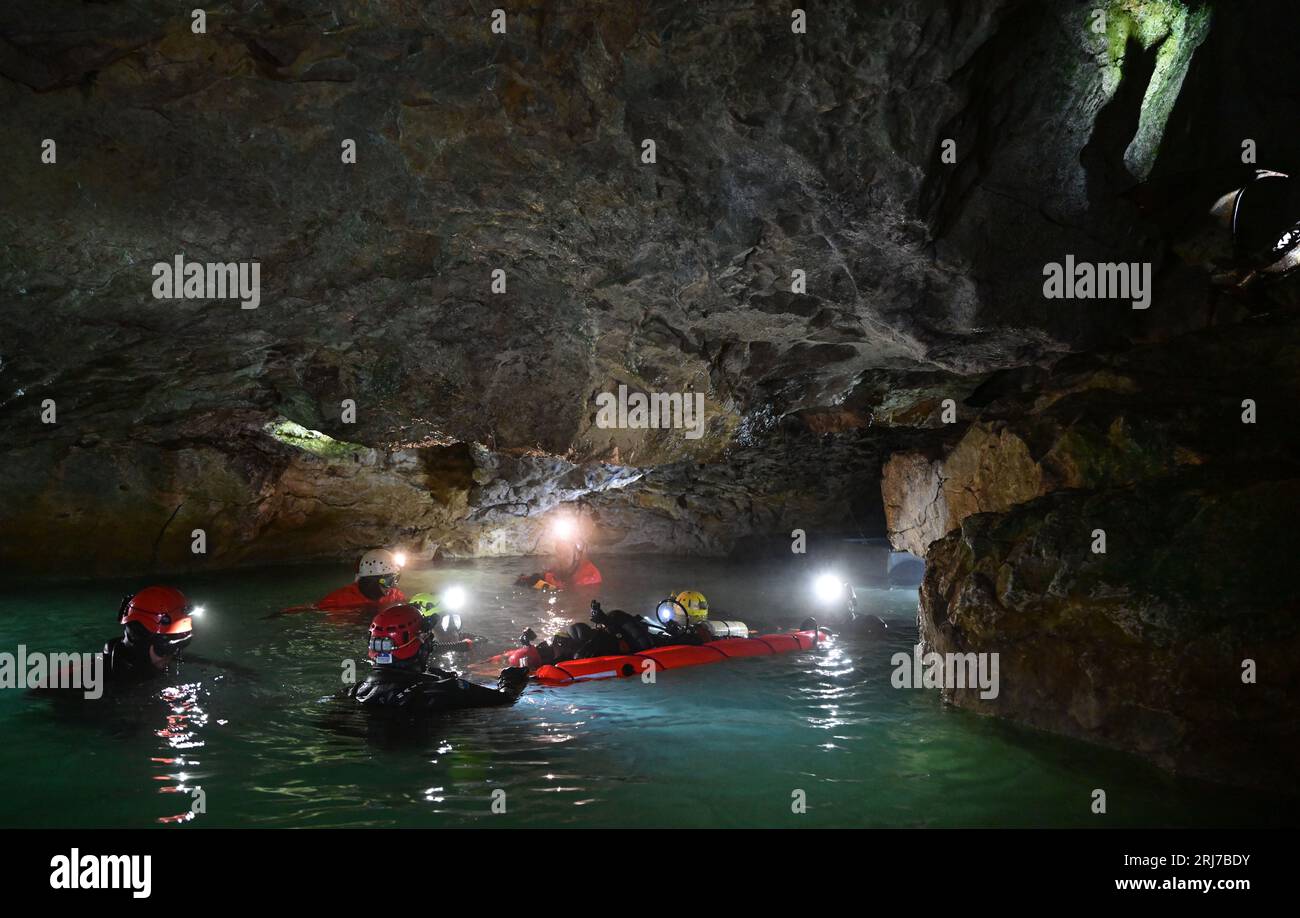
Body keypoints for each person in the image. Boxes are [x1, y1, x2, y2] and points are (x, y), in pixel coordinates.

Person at [347, 604, 527, 711]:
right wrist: (510, 681)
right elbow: (505, 700)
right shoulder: (442, 691)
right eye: (428, 637)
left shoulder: (354, 692)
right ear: (421, 642)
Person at [102, 586, 196, 684]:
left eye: (180, 645)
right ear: (141, 643)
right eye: (165, 649)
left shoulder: (157, 665)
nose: (170, 656)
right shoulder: (91, 678)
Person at [313, 549, 406, 612]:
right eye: (389, 581)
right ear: (372, 581)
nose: (394, 586)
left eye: (396, 579)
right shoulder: (339, 600)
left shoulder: (395, 595)